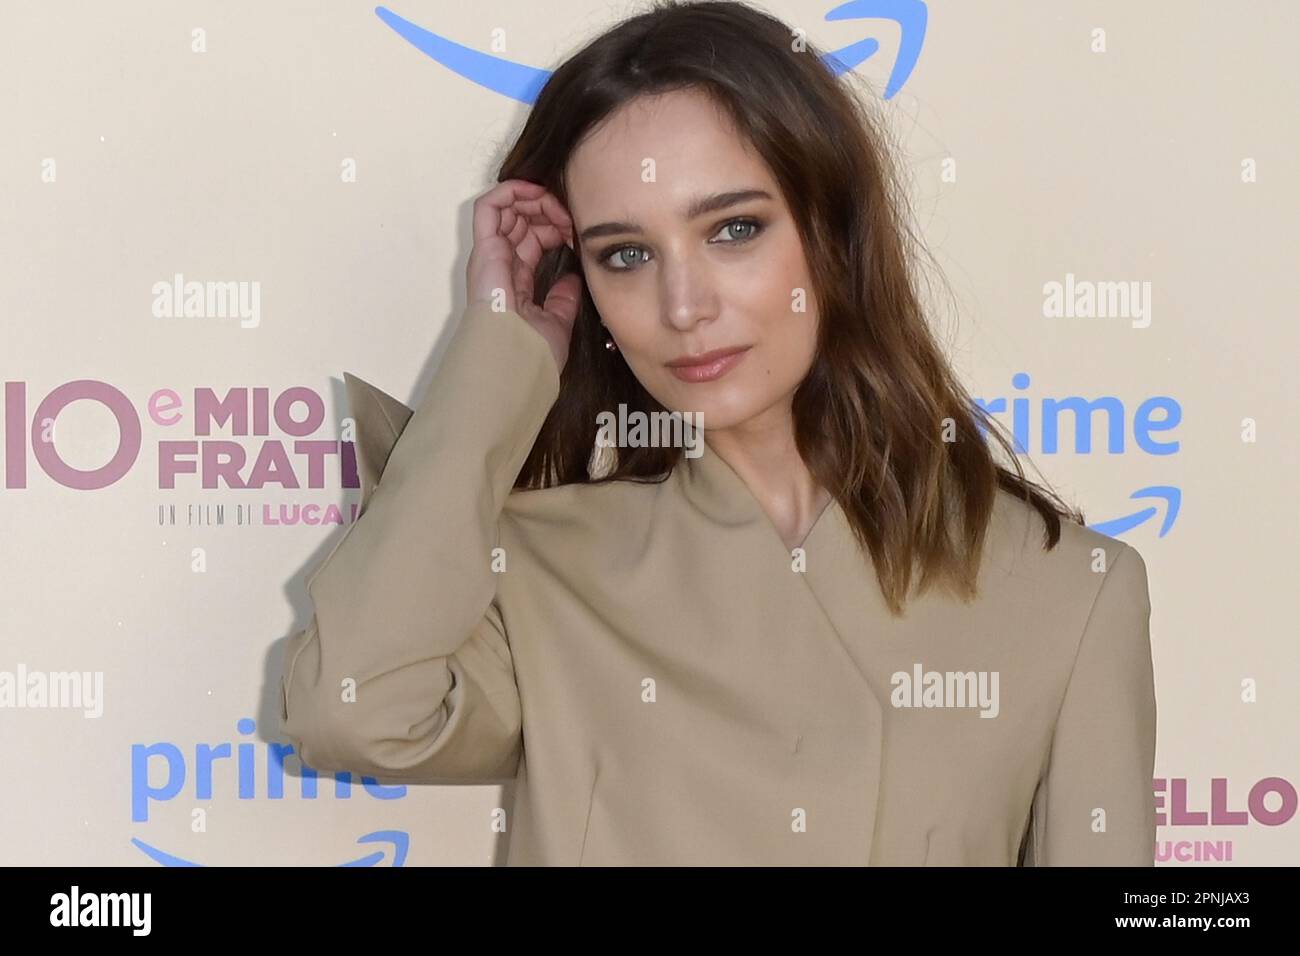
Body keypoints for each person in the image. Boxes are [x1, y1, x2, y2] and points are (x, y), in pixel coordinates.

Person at [280, 0, 1156, 865]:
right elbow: (352, 712)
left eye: (734, 229)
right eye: (626, 253)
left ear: (832, 234)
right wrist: (500, 354)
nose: (684, 306)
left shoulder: (1064, 594)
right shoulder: (543, 568)